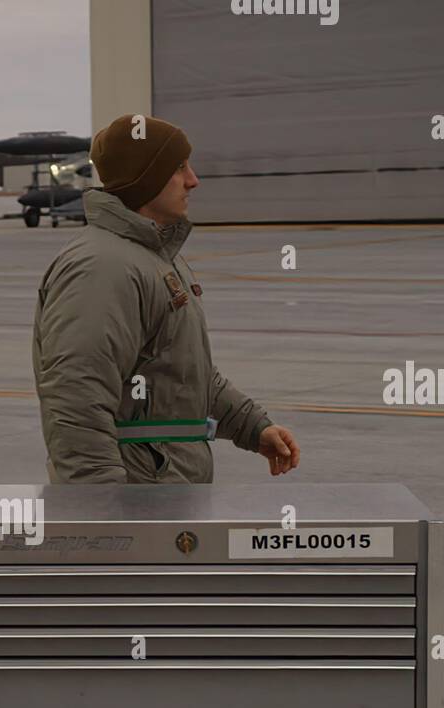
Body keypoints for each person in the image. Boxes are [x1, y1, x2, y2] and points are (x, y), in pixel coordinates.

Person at [33, 113, 300, 483]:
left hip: (164, 492)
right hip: (136, 497)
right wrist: (99, 505)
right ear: (146, 178)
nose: (193, 180)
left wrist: (253, 426)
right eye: (179, 168)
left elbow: (183, 375)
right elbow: (76, 398)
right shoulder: (103, 268)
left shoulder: (153, 257)